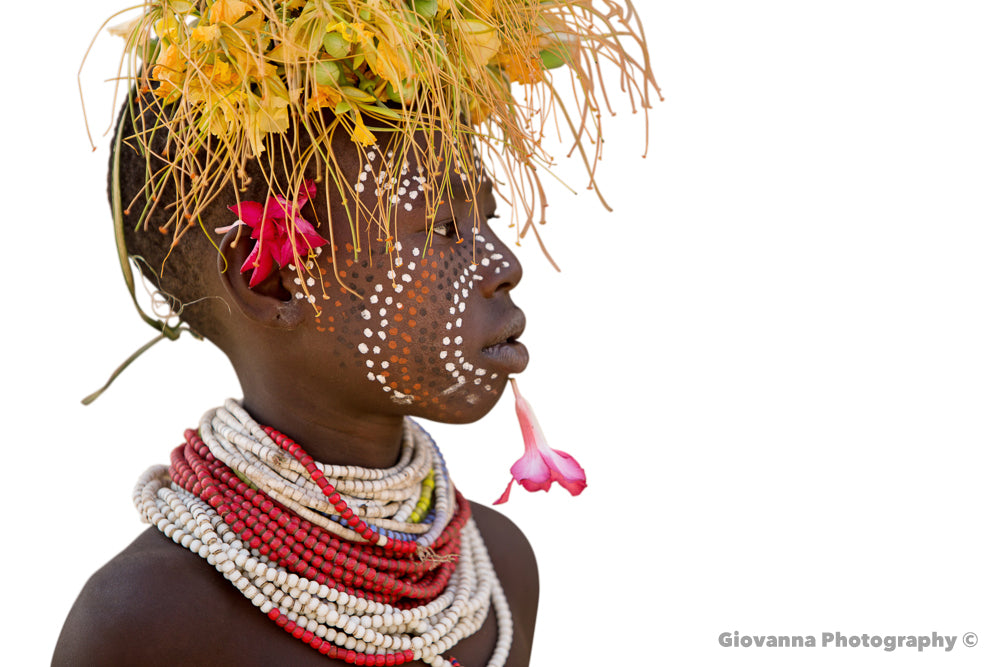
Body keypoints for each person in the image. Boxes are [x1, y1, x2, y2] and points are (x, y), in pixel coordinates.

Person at [54, 1, 655, 664]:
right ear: (269, 279)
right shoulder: (152, 622)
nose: (502, 264)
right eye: (443, 229)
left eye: (484, 219)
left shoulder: (497, 576)